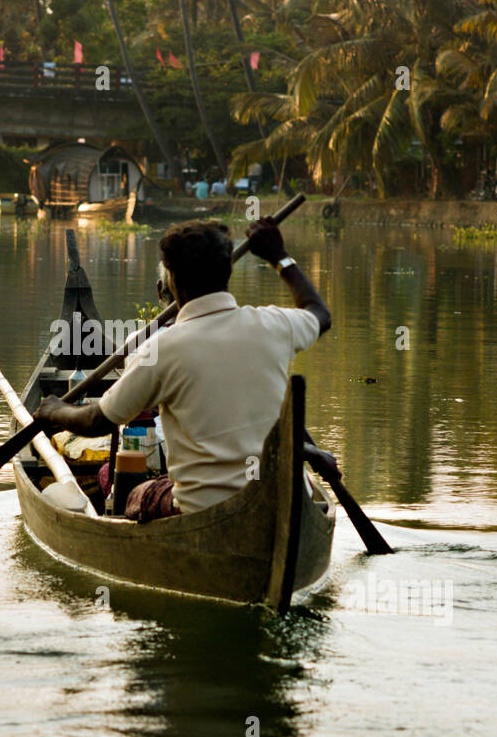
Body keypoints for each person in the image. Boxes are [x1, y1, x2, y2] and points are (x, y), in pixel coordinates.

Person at [33, 219, 331, 522]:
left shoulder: (159, 348)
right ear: (227, 272)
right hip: (283, 500)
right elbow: (319, 313)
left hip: (204, 510)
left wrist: (55, 410)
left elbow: (97, 421)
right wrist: (279, 257)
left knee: (136, 493)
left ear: (171, 279)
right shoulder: (274, 325)